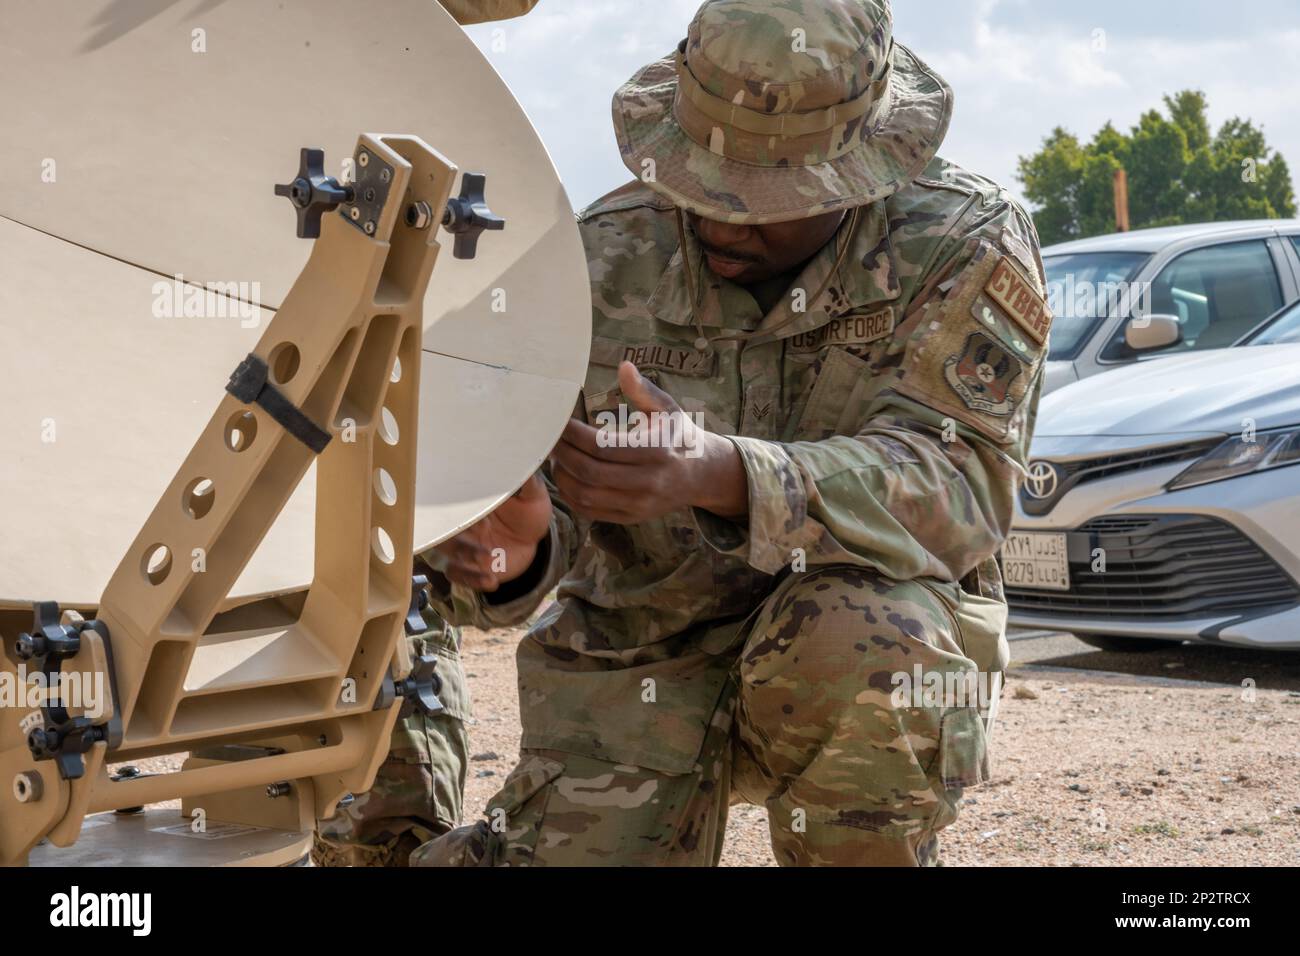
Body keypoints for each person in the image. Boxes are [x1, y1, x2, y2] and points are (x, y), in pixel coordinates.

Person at [416, 0, 1050, 866]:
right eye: (698, 188)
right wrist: (517, 553)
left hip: (851, 646)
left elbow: (960, 486)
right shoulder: (603, 257)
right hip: (643, 661)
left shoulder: (957, 244)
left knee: (863, 634)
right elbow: (534, 540)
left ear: (861, 172)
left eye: (767, 202)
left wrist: (724, 474)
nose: (722, 223)